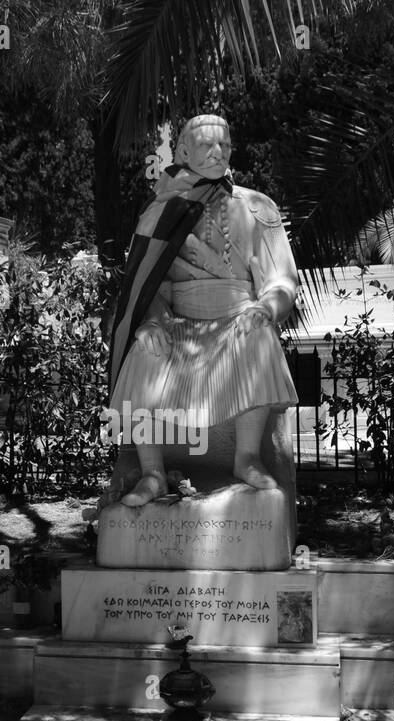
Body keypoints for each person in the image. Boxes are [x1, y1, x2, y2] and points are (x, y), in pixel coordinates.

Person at [108, 114, 300, 507]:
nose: (218, 153)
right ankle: (153, 473)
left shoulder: (258, 207)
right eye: (206, 146)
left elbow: (282, 279)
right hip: (181, 325)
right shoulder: (160, 211)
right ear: (182, 152)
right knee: (144, 348)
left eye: (224, 145)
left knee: (258, 334)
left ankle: (246, 459)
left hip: (238, 317)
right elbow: (149, 287)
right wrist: (150, 321)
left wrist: (267, 307)